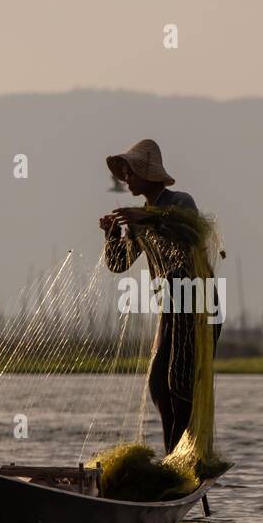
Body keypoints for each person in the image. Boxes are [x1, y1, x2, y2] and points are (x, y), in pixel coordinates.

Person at [99, 139, 220, 456]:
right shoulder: (140, 216)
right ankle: (174, 456)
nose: (125, 179)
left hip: (198, 302)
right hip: (172, 303)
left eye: (130, 172)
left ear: (144, 172)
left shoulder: (180, 202)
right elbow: (118, 263)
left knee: (179, 383)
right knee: (158, 384)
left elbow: (190, 231)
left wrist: (145, 219)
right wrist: (112, 234)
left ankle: (181, 457)